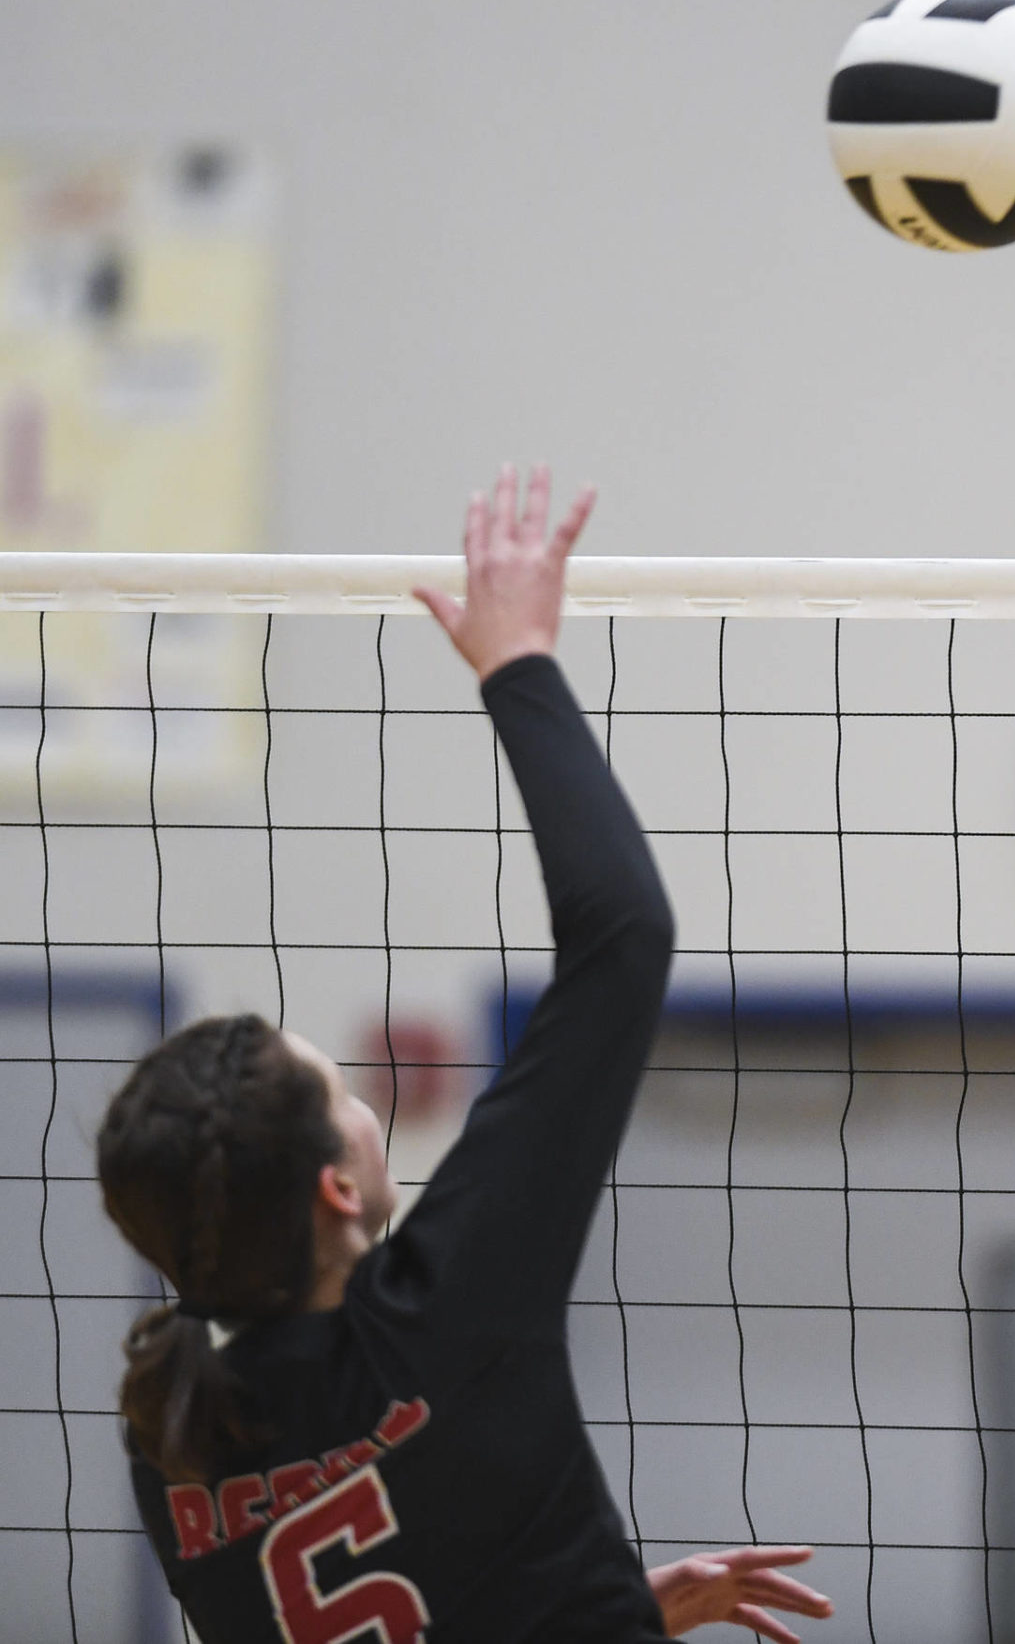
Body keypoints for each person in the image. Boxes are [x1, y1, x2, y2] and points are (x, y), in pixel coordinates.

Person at [96, 466, 834, 1644]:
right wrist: (517, 661)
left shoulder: (174, 1443)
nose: (365, 1104)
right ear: (338, 1187)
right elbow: (623, 932)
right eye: (343, 1090)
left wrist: (593, 1605)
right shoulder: (442, 1308)